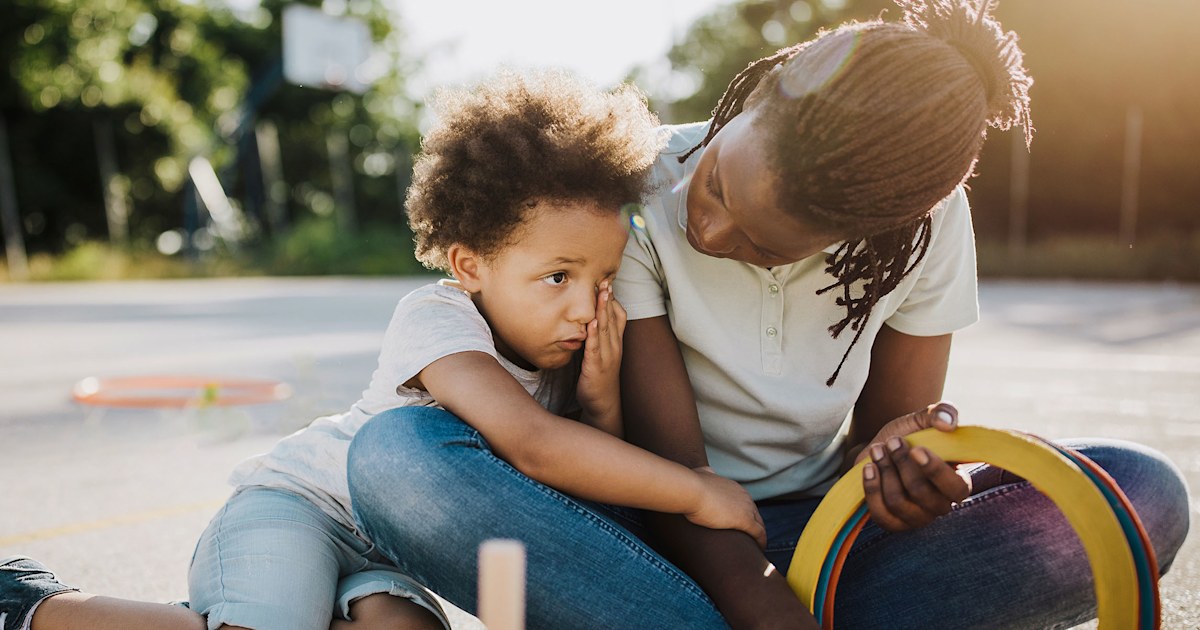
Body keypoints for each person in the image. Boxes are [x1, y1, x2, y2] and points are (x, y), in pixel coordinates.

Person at [347, 1, 1190, 629]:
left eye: (762, 243)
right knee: (397, 457)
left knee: (1138, 492)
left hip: (817, 539)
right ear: (766, 89)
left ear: (866, 233)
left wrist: (912, 474)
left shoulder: (925, 227)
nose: (707, 225)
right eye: (716, 184)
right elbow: (678, 478)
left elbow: (881, 436)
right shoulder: (631, 192)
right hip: (652, 535)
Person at [0, 70, 767, 630]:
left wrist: (601, 399)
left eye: (603, 275)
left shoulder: (577, 349)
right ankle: (37, 605)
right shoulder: (438, 321)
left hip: (392, 555)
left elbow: (584, 502)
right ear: (470, 266)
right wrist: (698, 490)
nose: (584, 302)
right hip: (302, 506)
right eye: (557, 275)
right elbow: (534, 447)